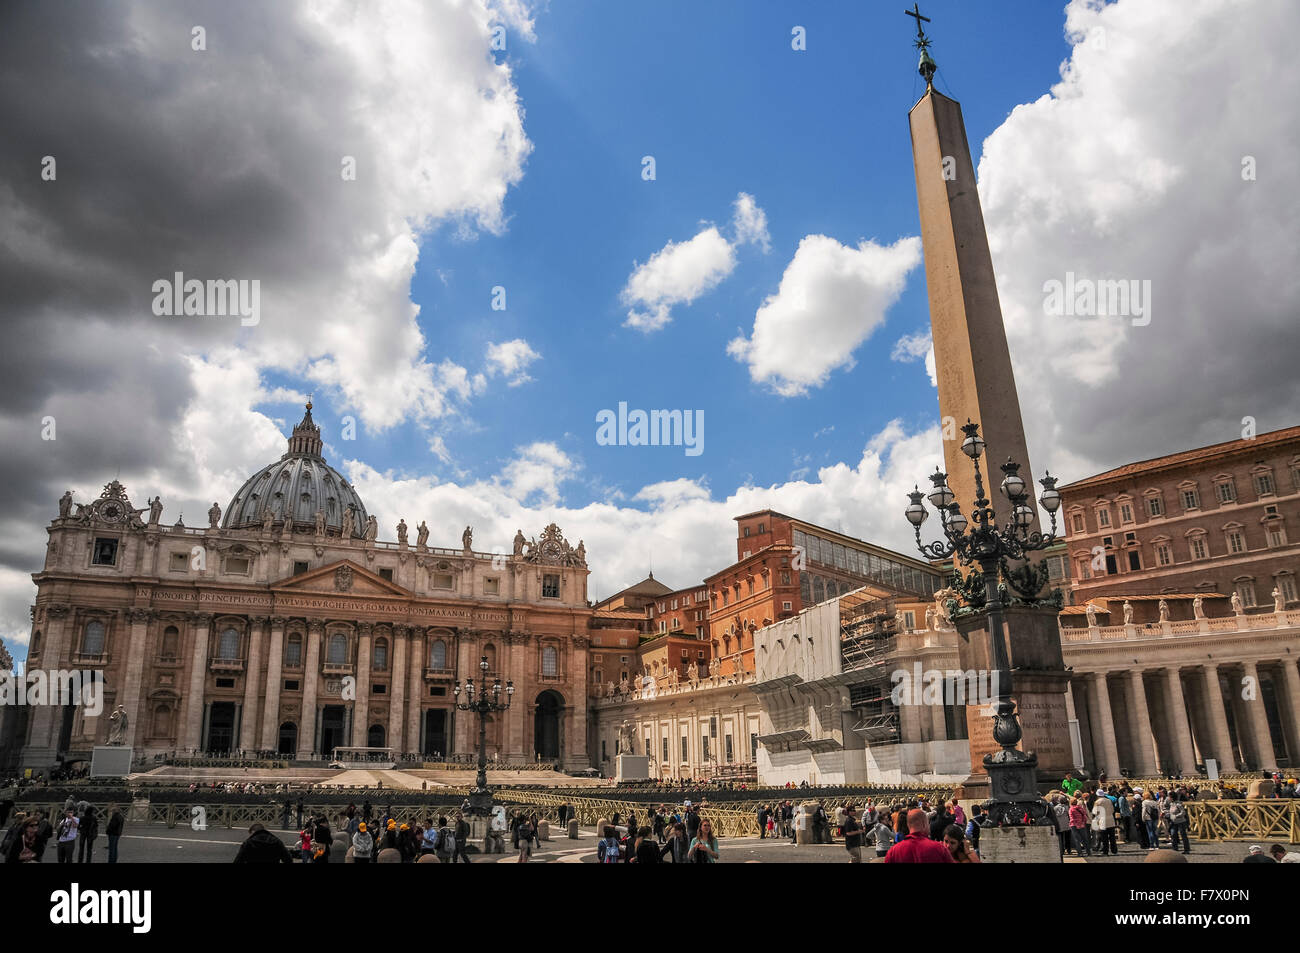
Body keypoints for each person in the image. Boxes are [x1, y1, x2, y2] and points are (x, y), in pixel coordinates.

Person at [883, 810, 955, 863]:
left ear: (908, 825)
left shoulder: (893, 852)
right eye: (928, 823)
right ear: (924, 824)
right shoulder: (939, 848)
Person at [1091, 791, 1117, 856]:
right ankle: (1114, 850)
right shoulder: (1109, 800)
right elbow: (1112, 810)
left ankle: (1105, 851)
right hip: (1111, 820)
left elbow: (1095, 812)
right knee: (1112, 837)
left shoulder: (1097, 802)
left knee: (1104, 838)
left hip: (1102, 821)